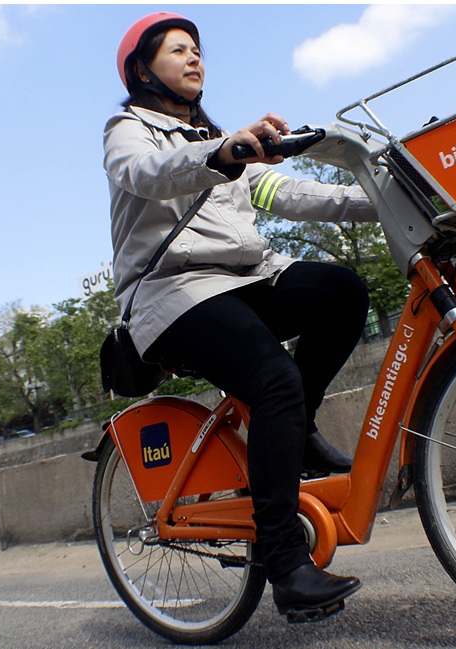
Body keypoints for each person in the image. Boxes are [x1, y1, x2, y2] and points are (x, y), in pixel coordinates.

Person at [106, 12, 377, 622]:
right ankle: (285, 563)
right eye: (178, 50)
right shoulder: (129, 130)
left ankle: (298, 433)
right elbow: (143, 174)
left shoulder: (224, 139)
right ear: (143, 71)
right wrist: (220, 151)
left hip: (245, 281)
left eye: (197, 49)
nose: (194, 58)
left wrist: (385, 200)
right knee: (274, 378)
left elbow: (286, 193)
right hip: (173, 294)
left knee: (341, 291)